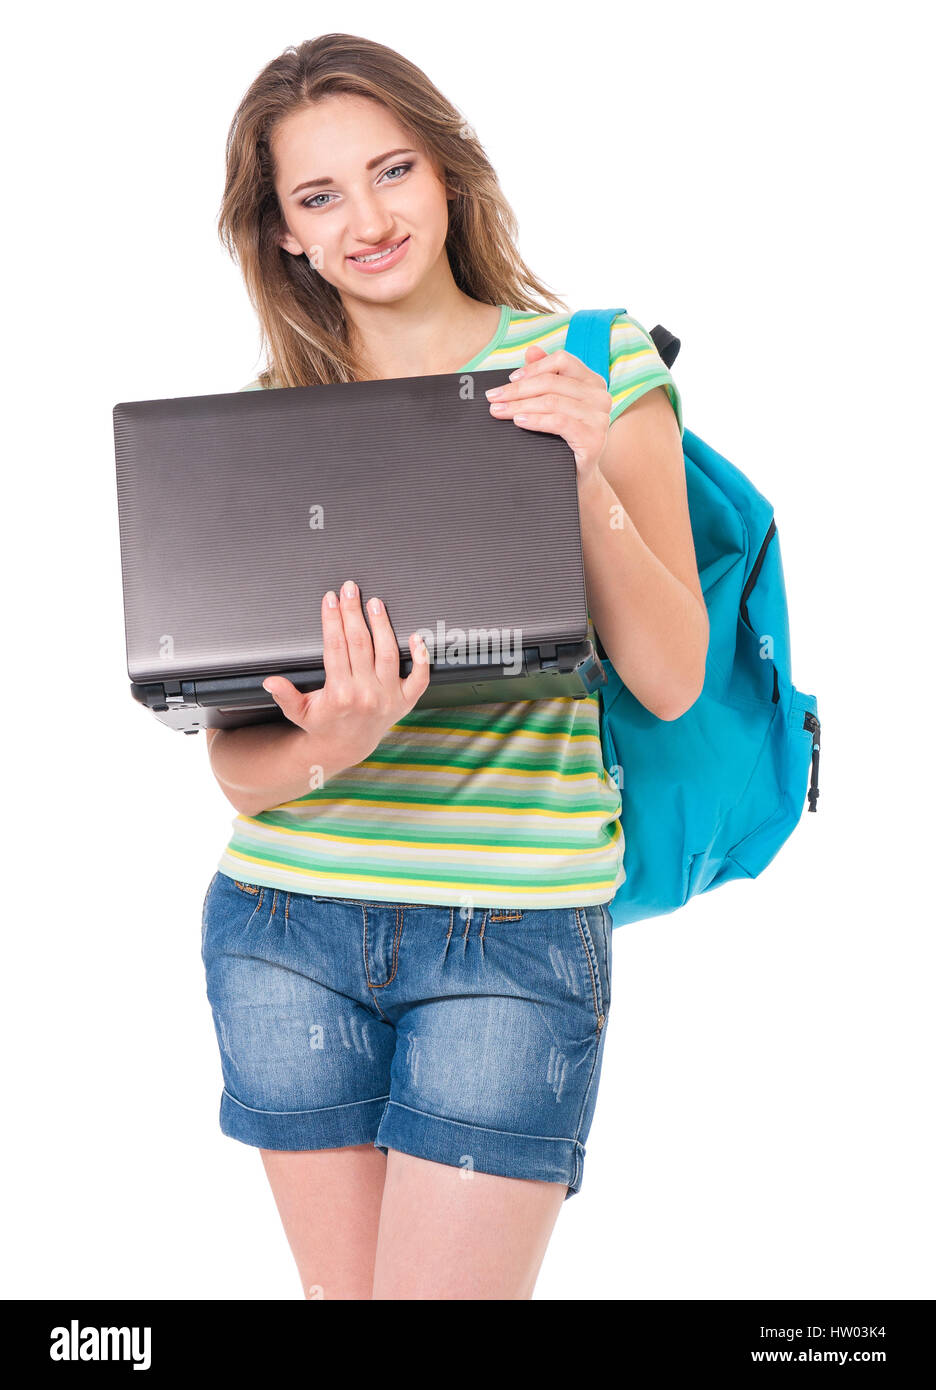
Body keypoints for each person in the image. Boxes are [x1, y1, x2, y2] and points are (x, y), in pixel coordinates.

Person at [200, 32, 707, 1300]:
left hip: (515, 932)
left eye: (392, 171)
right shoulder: (275, 418)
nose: (367, 218)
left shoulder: (594, 367)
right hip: (284, 924)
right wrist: (338, 738)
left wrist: (576, 477)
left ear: (447, 174)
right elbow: (239, 767)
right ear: (283, 236)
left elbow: (671, 675)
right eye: (320, 196)